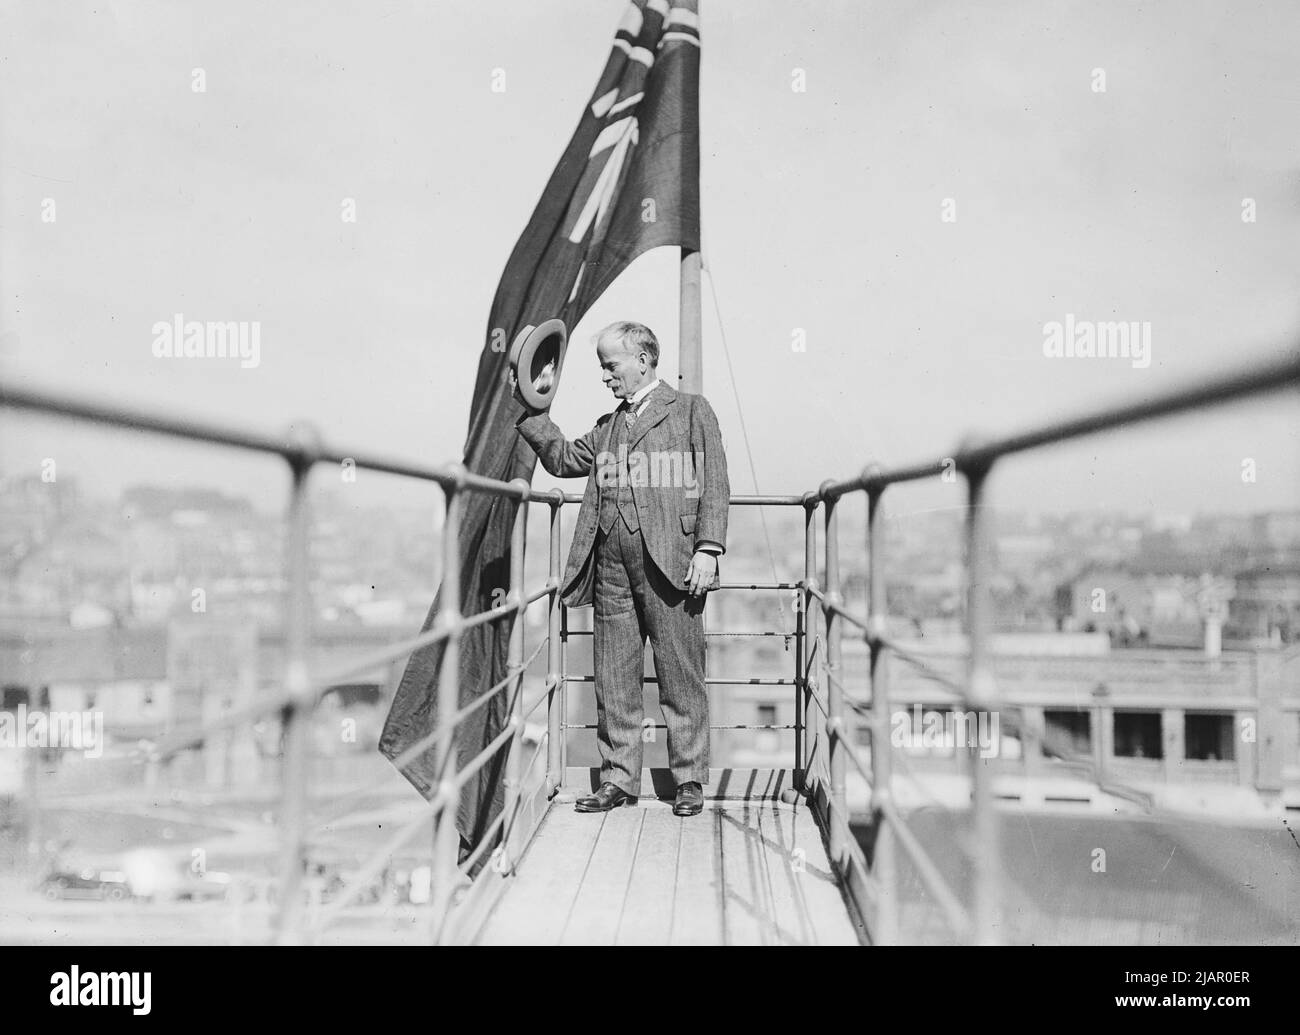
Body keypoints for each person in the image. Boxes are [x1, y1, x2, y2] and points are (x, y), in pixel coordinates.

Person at [512, 320, 730, 817]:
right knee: (613, 677)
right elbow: (565, 459)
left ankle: (690, 780)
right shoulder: (609, 426)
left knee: (680, 674)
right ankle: (617, 779)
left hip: (672, 565)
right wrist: (534, 405)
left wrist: (708, 548)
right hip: (610, 563)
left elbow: (715, 481)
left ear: (643, 360)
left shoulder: (692, 412)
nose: (606, 377)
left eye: (611, 366)